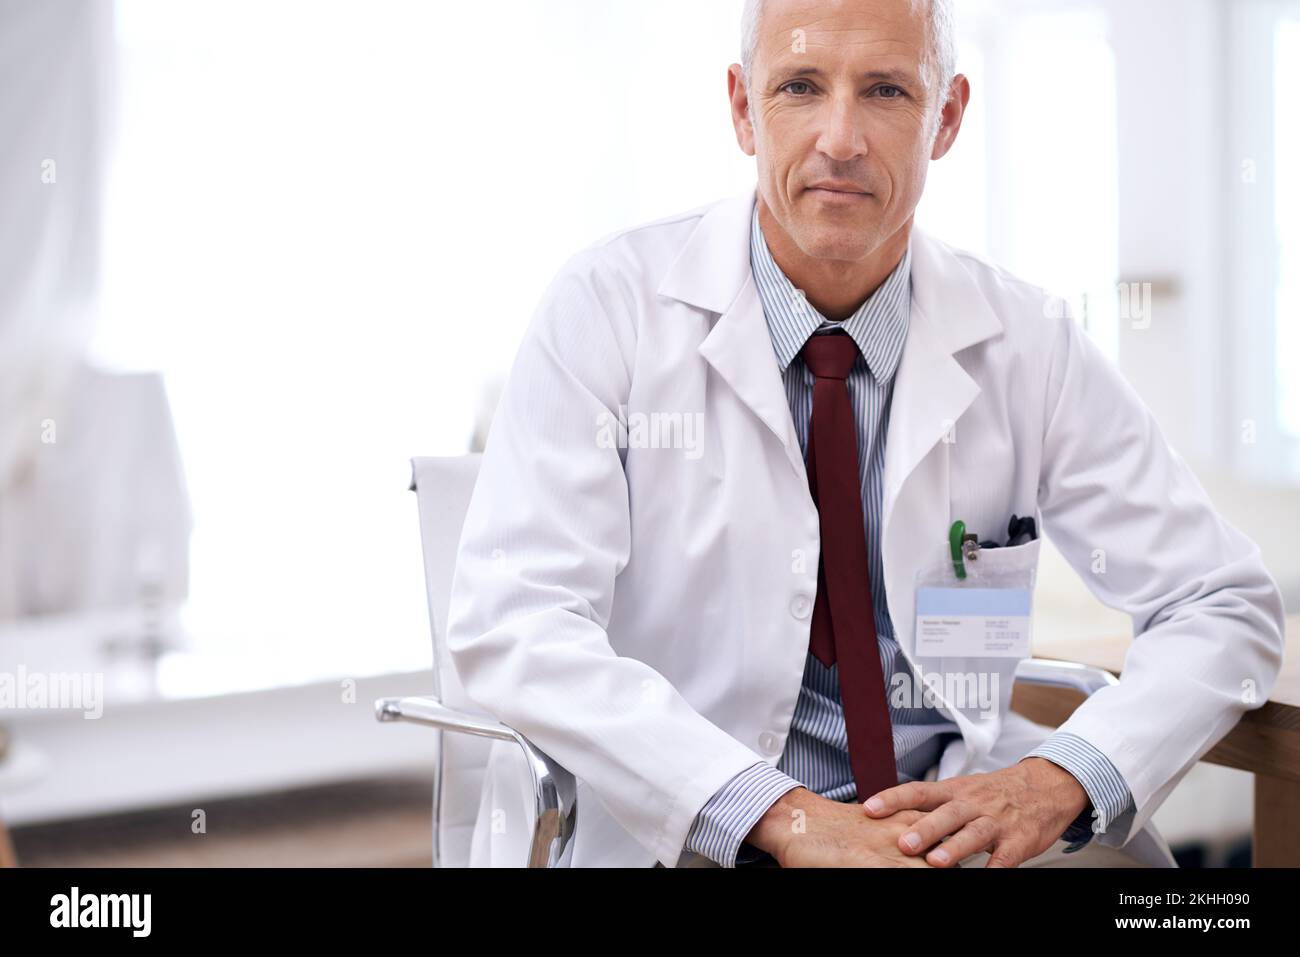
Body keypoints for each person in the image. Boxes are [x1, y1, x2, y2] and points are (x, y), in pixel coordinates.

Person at [444, 0, 1286, 868]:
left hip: (951, 832)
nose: (840, 139)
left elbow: (1223, 601)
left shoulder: (1029, 341)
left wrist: (1060, 776)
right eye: (800, 86)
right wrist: (777, 815)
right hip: (692, 830)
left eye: (885, 90)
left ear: (947, 117)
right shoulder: (606, 312)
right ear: (743, 109)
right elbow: (518, 618)